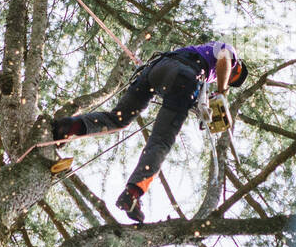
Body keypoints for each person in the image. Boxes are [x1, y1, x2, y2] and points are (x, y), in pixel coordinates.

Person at [49, 41, 247, 223]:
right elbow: (225, 59)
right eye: (231, 75)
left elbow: (191, 96)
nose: (227, 77)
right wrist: (222, 91)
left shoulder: (204, 64)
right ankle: (132, 194)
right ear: (237, 67)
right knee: (160, 142)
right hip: (183, 75)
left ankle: (69, 127)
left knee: (118, 119)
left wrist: (204, 110)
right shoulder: (227, 52)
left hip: (156, 71)